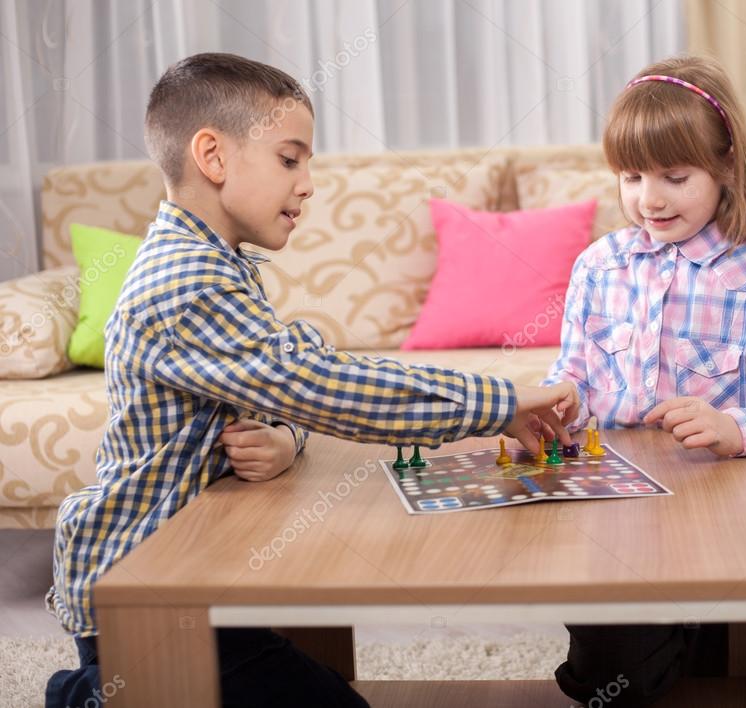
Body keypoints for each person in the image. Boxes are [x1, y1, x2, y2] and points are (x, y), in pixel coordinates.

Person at [45, 52, 577, 708]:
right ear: (212, 156)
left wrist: (285, 438)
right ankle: (87, 695)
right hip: (144, 590)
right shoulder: (183, 283)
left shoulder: (218, 262)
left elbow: (275, 383)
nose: (308, 184)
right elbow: (315, 382)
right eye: (289, 159)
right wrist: (498, 403)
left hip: (199, 562)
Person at [543, 54, 746, 707]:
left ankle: (685, 633)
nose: (647, 199)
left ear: (724, 169)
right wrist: (546, 410)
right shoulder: (600, 264)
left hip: (721, 501)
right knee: (602, 647)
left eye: (673, 177)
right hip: (614, 500)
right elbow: (572, 373)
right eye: (630, 177)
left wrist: (735, 427)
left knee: (632, 667)